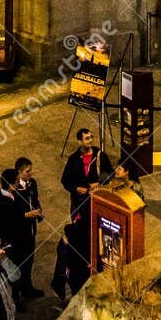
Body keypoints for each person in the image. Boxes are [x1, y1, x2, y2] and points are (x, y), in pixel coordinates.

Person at [60, 126, 115, 293]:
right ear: (79, 141)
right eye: (86, 138)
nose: (90, 141)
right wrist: (76, 188)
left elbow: (110, 174)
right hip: (79, 203)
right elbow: (65, 180)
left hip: (97, 202)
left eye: (91, 137)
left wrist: (98, 183)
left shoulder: (100, 156)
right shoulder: (73, 159)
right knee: (81, 234)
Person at [13, 157, 44, 299]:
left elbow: (35, 199)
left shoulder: (32, 183)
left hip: (31, 229)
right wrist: (27, 214)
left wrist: (38, 209)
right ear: (19, 172)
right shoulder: (14, 189)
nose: (31, 173)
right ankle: (17, 294)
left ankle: (27, 288)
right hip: (20, 231)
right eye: (28, 171)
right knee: (19, 262)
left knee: (29, 260)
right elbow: (12, 213)